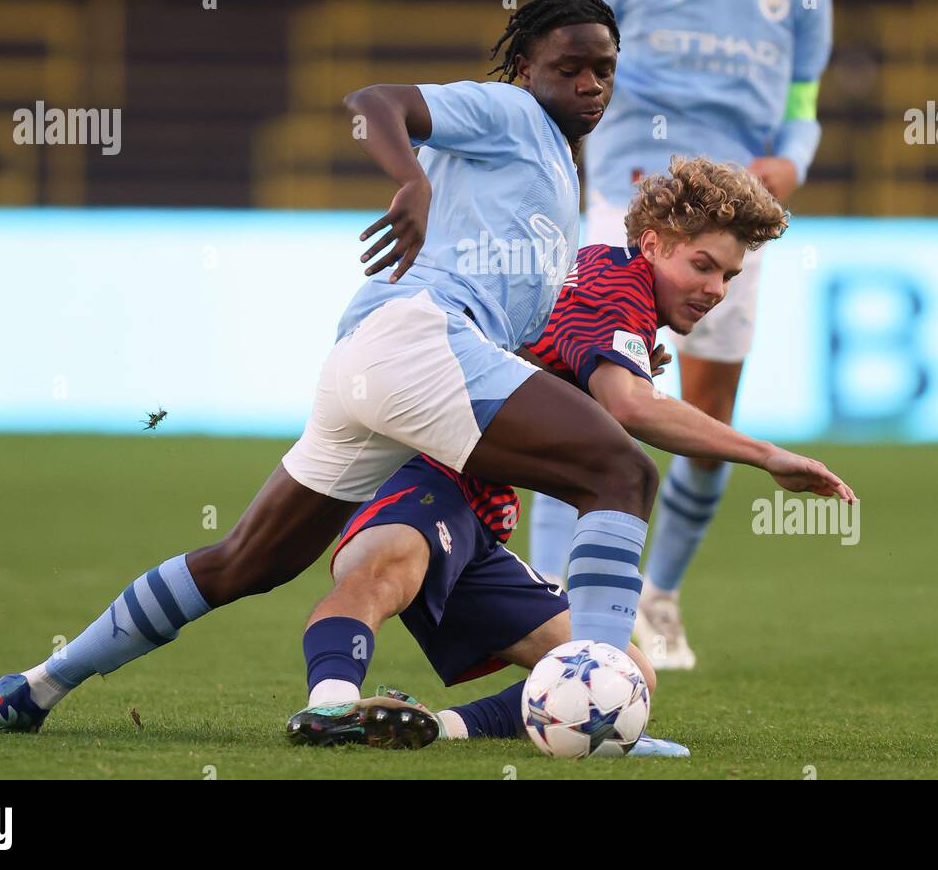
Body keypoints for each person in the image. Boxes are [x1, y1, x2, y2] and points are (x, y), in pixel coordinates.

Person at [0, 0, 668, 733]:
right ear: (526, 67)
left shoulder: (556, 166)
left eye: (605, 70)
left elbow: (509, 335)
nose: (590, 85)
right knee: (620, 473)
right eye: (571, 68)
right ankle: (603, 691)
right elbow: (373, 102)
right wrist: (412, 179)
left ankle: (38, 686)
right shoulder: (510, 112)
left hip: (373, 361)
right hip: (420, 341)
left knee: (247, 561)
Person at [285, 158, 853, 752]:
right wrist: (766, 455)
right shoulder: (616, 289)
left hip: (480, 510)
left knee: (628, 672)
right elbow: (633, 408)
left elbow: (554, 364)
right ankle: (331, 706)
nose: (715, 290)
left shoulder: (605, 280)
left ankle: (434, 728)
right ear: (653, 245)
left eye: (730, 275)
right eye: (702, 266)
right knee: (383, 569)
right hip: (428, 467)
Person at [530, 0, 834, 670]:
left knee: (705, 407)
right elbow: (566, 62)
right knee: (580, 390)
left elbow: (805, 104)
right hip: (627, 206)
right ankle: (553, 598)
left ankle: (658, 598)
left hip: (733, 222)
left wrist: (793, 159)